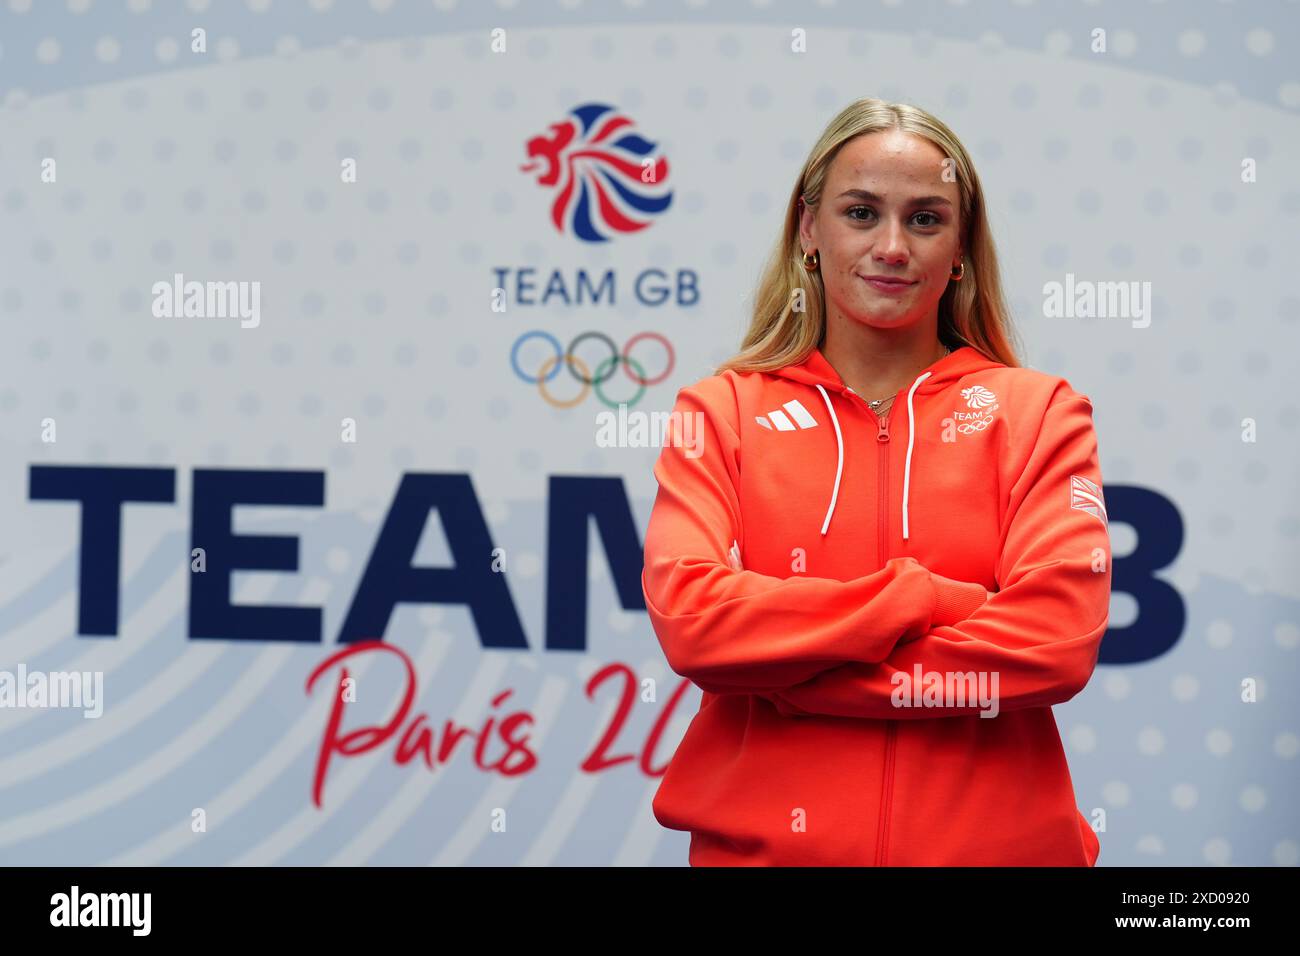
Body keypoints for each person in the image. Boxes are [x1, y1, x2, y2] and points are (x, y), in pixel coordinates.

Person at [640, 97, 1111, 866]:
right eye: (861, 212)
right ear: (808, 229)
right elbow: (694, 621)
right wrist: (924, 597)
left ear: (961, 245)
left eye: (926, 219)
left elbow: (1056, 642)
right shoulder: (721, 410)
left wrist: (793, 676)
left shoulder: (1038, 412)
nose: (892, 245)